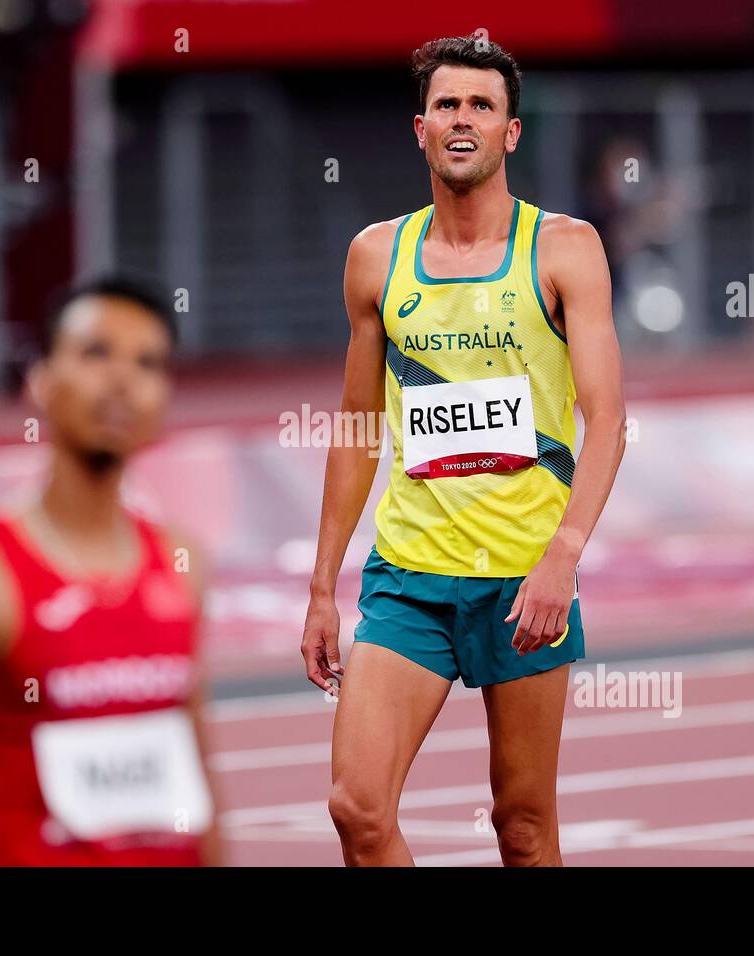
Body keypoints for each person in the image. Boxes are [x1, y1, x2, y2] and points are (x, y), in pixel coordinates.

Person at [301, 34, 626, 866]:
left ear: (510, 133)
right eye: (447, 104)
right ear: (421, 128)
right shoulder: (377, 257)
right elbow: (356, 428)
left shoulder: (563, 248)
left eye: (482, 106)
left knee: (522, 826)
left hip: (526, 582)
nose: (463, 120)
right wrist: (320, 586)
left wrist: (564, 555)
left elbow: (608, 421)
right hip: (410, 578)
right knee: (356, 810)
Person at [0, 276, 222, 866]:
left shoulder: (184, 565)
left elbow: (195, 766)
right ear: (41, 381)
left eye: (148, 363)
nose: (122, 381)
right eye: (95, 353)